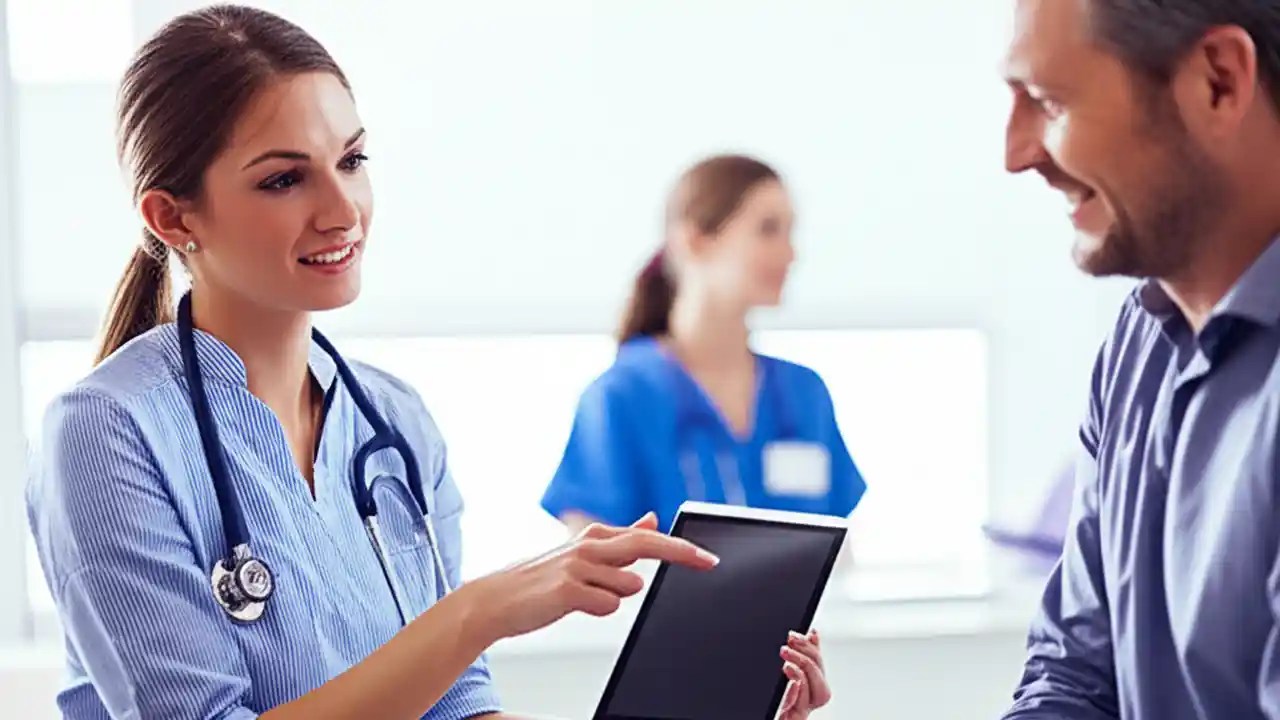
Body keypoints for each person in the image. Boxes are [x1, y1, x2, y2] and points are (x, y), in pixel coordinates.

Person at [23, 6, 831, 719]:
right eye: (283, 179)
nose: (342, 211)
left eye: (352, 160)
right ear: (172, 216)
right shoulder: (107, 433)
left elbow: (452, 710)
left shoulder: (394, 423)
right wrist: (479, 611)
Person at [1000, 0, 1280, 717]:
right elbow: (1075, 677)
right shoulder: (1141, 343)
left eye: (1050, 102)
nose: (1017, 154)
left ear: (1218, 81)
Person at [540, 155, 867, 535]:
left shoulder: (804, 394)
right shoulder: (621, 398)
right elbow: (592, 568)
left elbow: (837, 556)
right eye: (768, 229)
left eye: (790, 232)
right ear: (694, 239)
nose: (791, 254)